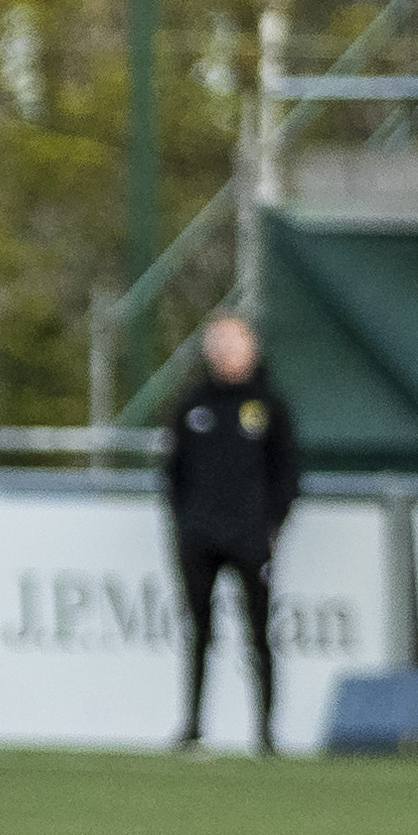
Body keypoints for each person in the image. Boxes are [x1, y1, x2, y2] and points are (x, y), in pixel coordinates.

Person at [161, 314, 300, 752]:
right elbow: (173, 473)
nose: (225, 354)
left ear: (251, 349)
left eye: (233, 345)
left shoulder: (269, 406)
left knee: (259, 633)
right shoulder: (192, 405)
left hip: (250, 537)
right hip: (199, 537)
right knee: (198, 630)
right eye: (217, 346)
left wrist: (272, 525)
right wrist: (185, 523)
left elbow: (287, 473)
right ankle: (193, 726)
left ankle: (266, 733)